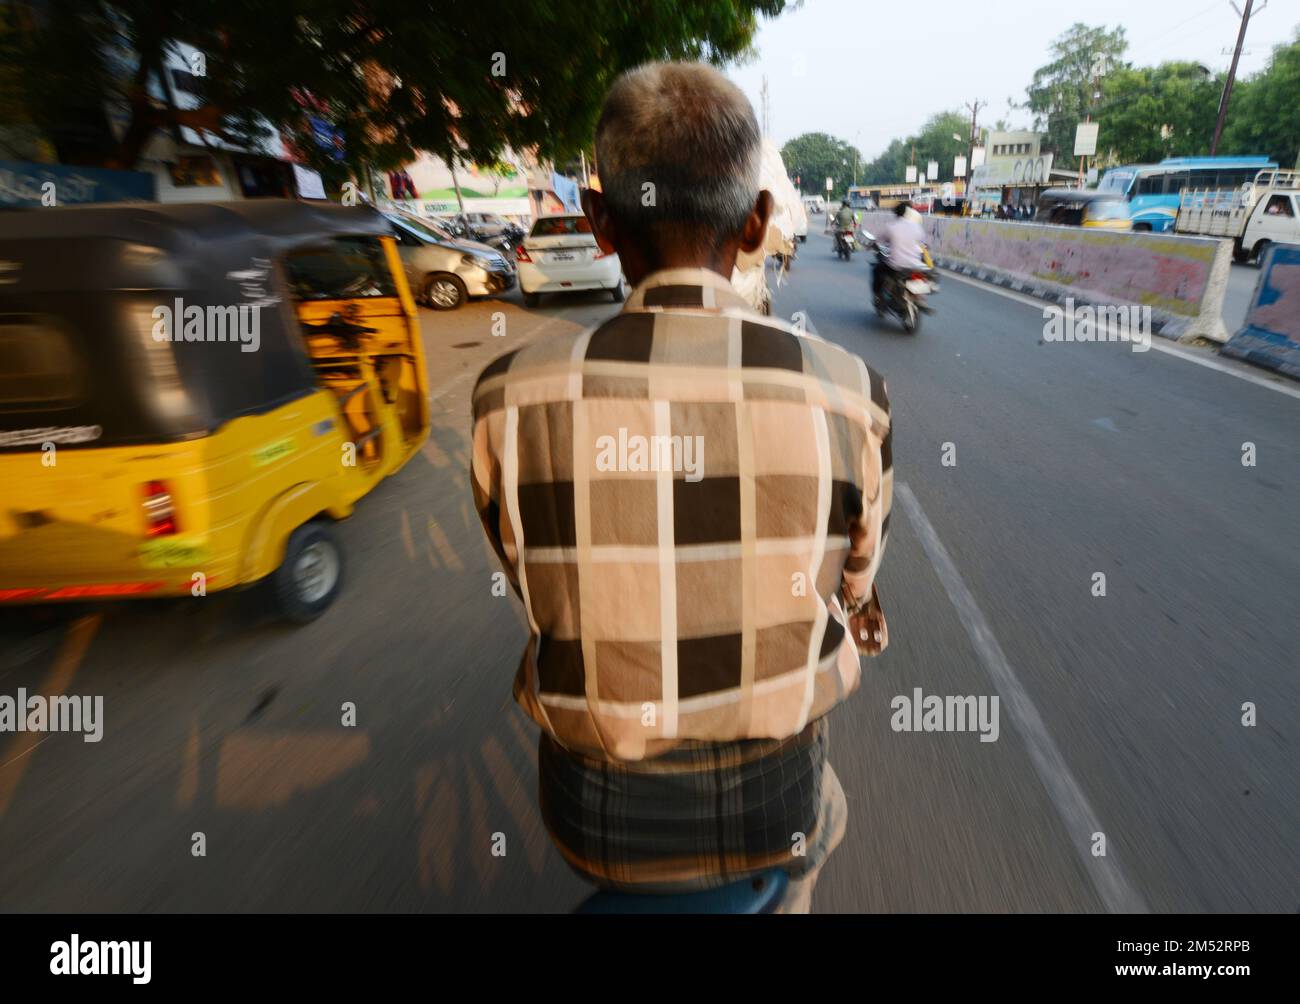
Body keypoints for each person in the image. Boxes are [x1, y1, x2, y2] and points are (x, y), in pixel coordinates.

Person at [470, 61, 893, 913]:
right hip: (773, 804)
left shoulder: (508, 397)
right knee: (824, 826)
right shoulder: (850, 392)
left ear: (598, 223)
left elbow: (530, 582)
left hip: (591, 817)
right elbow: (855, 579)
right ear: (756, 225)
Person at [873, 200, 927, 302]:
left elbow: (879, 240)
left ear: (896, 213)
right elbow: (923, 243)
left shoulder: (891, 227)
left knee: (877, 270)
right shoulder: (917, 227)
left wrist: (874, 245)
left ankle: (878, 296)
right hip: (916, 264)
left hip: (897, 265)